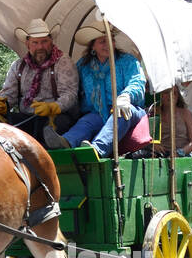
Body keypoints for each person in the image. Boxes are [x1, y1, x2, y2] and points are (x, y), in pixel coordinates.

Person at [45, 20, 146, 157]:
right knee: (86, 122)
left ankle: (97, 149)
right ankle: (66, 142)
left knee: (121, 113)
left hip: (128, 110)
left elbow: (137, 82)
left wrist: (125, 96)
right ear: (93, 46)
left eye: (111, 40)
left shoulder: (127, 61)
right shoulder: (83, 66)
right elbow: (72, 88)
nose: (108, 44)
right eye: (103, 41)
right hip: (98, 113)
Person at [0, 19, 79, 145]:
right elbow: (8, 94)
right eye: (35, 42)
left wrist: (52, 107)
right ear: (28, 45)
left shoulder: (63, 61)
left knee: (51, 128)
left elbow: (70, 94)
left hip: (54, 117)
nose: (40, 47)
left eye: (44, 41)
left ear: (51, 42)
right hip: (26, 117)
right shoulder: (18, 66)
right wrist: (2, 103)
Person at [153, 88, 192, 158]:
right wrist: (153, 145)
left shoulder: (186, 113)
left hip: (183, 156)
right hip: (160, 155)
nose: (171, 95)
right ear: (160, 95)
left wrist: (180, 152)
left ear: (178, 97)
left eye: (174, 93)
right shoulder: (154, 113)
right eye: (166, 92)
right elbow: (146, 138)